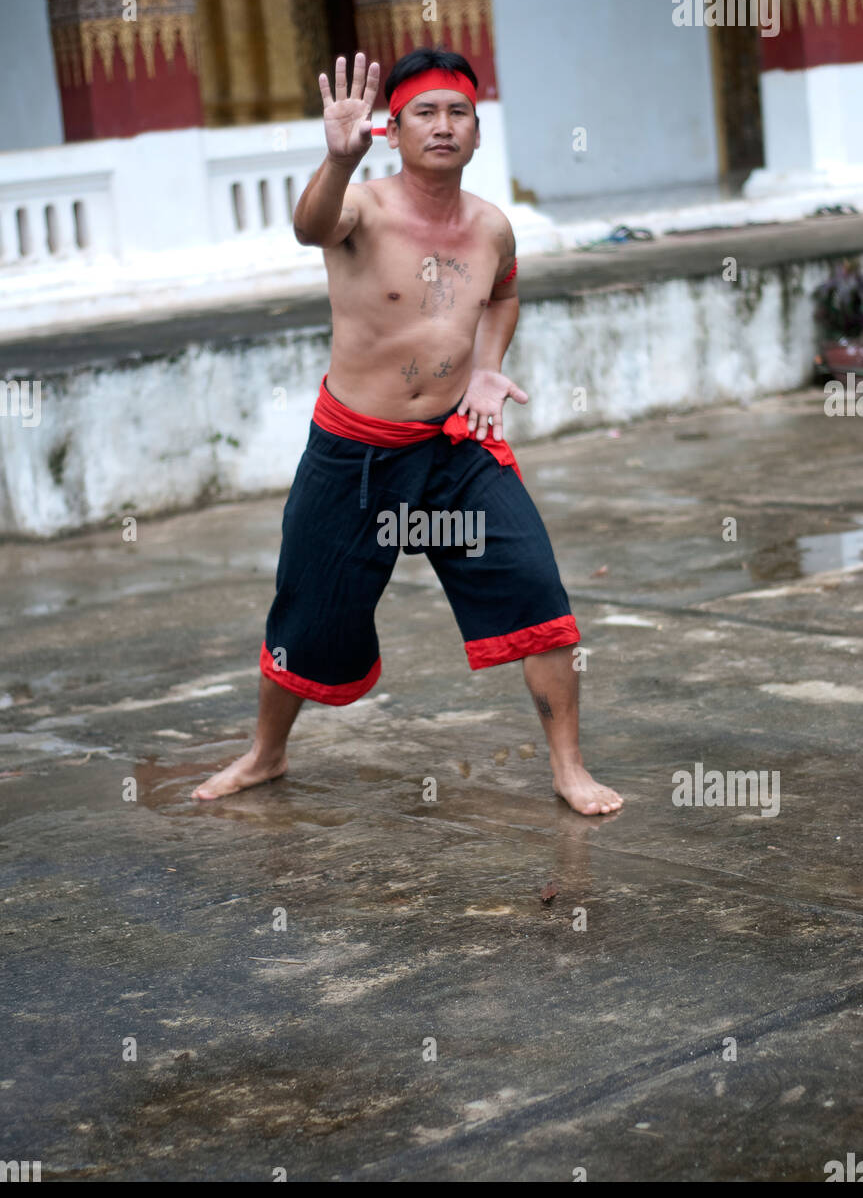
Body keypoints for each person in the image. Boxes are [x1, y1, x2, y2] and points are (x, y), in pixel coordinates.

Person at [193, 48, 622, 816]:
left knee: (537, 596)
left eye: (458, 112)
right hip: (352, 456)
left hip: (455, 451)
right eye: (424, 112)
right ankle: (266, 753)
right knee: (308, 613)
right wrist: (335, 159)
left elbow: (502, 295)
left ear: (477, 131)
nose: (443, 126)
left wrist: (487, 368)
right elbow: (308, 227)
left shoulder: (491, 226)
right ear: (394, 130)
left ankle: (568, 768)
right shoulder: (363, 209)